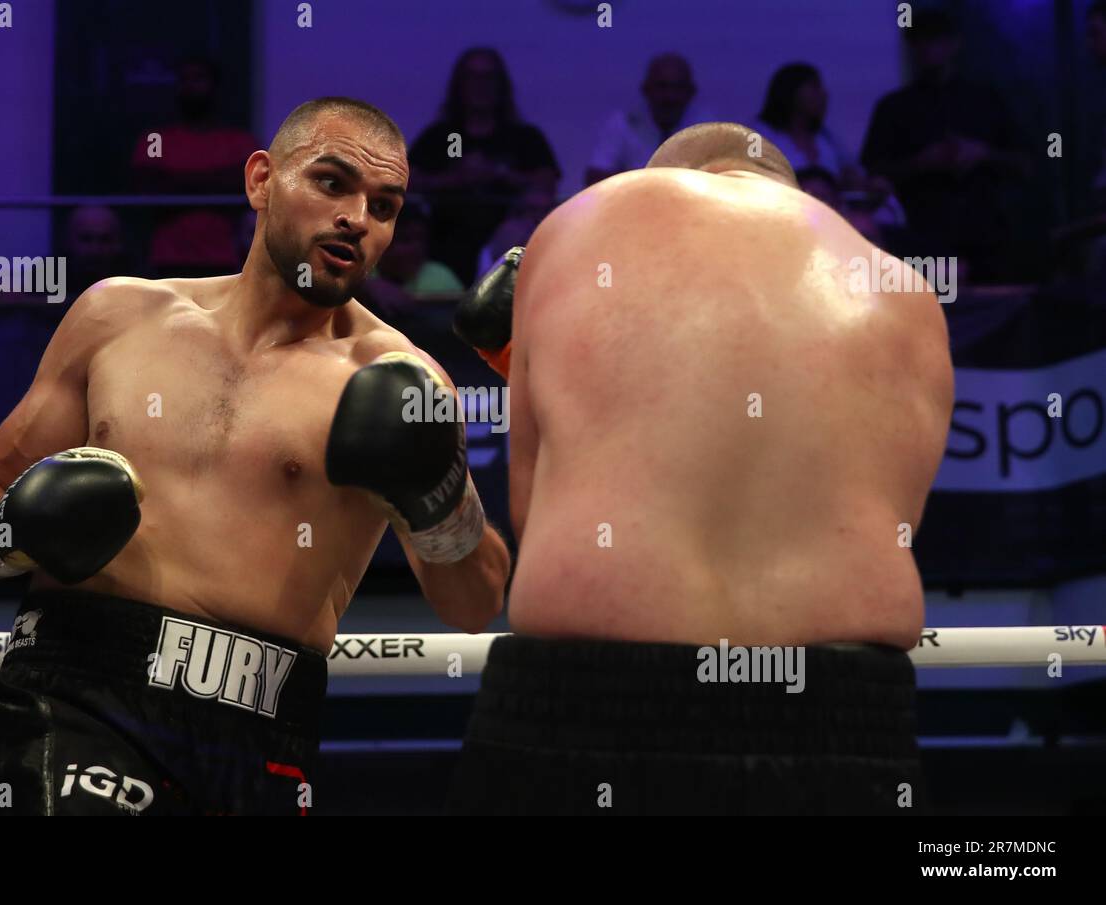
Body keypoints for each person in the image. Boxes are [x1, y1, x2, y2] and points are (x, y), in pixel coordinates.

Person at [0, 97, 510, 816]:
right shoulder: (119, 316)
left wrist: (443, 496)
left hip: (262, 731)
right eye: (332, 183)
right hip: (75, 696)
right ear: (261, 180)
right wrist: (6, 531)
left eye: (385, 206)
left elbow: (473, 602)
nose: (359, 219)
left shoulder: (399, 379)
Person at [450, 122, 953, 815]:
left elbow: (536, 520)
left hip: (593, 701)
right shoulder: (911, 296)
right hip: (846, 720)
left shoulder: (588, 221)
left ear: (671, 172)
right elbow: (890, 523)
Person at [860, 10, 1027, 281]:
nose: (928, 49)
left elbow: (1025, 163)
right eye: (920, 42)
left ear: (954, 44)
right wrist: (921, 163)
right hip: (922, 233)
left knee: (996, 306)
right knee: (934, 313)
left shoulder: (985, 99)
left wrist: (983, 154)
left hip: (988, 232)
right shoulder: (895, 107)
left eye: (935, 40)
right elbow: (872, 170)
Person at [408, 48, 560, 284]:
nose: (480, 86)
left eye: (488, 78)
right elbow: (404, 182)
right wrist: (456, 179)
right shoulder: (438, 136)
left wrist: (499, 173)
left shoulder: (525, 137)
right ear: (459, 85)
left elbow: (546, 185)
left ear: (501, 85)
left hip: (511, 251)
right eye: (472, 78)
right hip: (444, 248)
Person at [130, 56, 262, 276]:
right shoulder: (156, 139)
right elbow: (148, 188)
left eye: (199, 78)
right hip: (166, 258)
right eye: (185, 79)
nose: (191, 85)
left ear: (215, 87)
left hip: (226, 257)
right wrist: (218, 180)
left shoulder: (240, 141)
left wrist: (176, 181)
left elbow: (246, 186)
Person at [586, 53, 715, 185]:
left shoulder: (706, 128)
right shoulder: (623, 124)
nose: (670, 96)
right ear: (646, 89)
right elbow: (595, 179)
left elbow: (719, 182)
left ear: (691, 92)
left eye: (678, 87)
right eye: (662, 86)